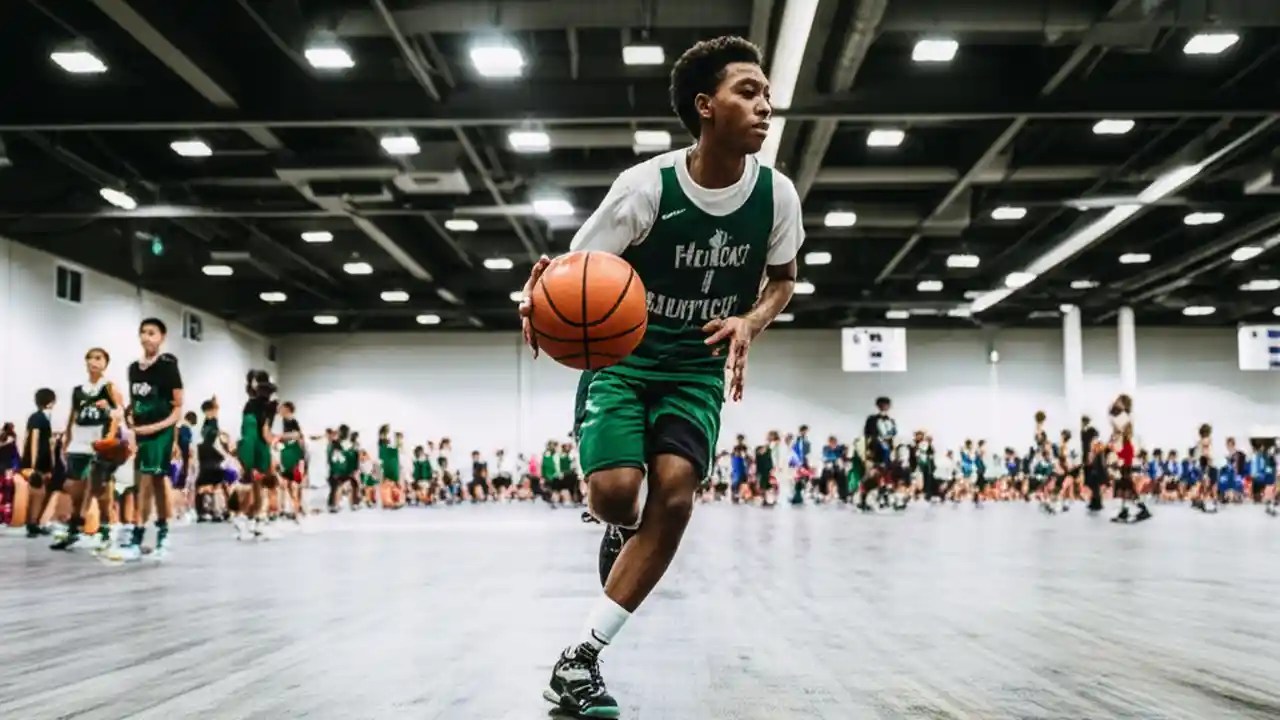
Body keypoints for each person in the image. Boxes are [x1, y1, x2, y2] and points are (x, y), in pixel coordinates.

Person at [518, 35, 802, 718]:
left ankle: (580, 660)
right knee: (619, 497)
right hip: (625, 359)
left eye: (766, 92)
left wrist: (751, 321)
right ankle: (617, 524)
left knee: (674, 497)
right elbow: (576, 273)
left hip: (696, 368)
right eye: (749, 91)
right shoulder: (646, 188)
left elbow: (784, 279)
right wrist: (541, 296)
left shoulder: (776, 195)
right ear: (705, 107)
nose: (766, 105)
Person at [110, 318, 184, 560]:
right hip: (140, 431)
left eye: (152, 333)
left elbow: (177, 408)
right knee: (145, 482)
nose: (146, 337)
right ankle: (152, 532)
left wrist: (166, 434)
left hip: (160, 431)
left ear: (162, 337)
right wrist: (129, 421)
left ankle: (150, 534)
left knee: (149, 481)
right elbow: (137, 402)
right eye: (143, 332)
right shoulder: (133, 368)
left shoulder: (168, 367)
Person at [51, 347, 125, 550]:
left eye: (98, 358)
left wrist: (110, 437)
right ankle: (74, 530)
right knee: (75, 488)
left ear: (105, 363)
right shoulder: (78, 390)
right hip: (79, 441)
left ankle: (105, 532)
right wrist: (67, 438)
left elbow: (120, 415)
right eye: (90, 358)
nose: (94, 361)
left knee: (101, 489)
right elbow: (73, 414)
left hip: (100, 441)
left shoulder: (110, 388)